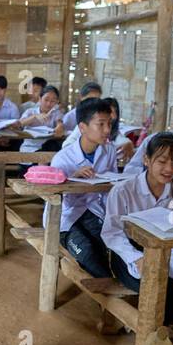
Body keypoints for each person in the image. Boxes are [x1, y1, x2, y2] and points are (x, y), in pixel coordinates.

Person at [102, 132, 173, 324]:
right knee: (167, 289)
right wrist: (136, 258)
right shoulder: (123, 191)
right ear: (146, 160)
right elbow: (111, 233)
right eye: (162, 161)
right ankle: (166, 336)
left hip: (170, 252)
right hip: (129, 255)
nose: (169, 169)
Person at [50, 98, 116, 278]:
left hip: (95, 213)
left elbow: (112, 184)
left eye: (109, 124)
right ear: (82, 127)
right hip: (66, 218)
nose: (107, 130)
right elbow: (53, 198)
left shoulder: (108, 150)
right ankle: (107, 295)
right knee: (87, 252)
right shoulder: (62, 159)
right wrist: (71, 179)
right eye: (100, 124)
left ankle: (112, 285)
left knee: (112, 245)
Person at [17, 84, 67, 152]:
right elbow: (19, 124)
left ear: (57, 102)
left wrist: (59, 127)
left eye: (52, 101)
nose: (49, 104)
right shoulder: (30, 112)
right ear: (40, 99)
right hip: (29, 149)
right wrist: (34, 117)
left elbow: (60, 123)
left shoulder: (57, 114)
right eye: (46, 100)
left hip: (48, 151)